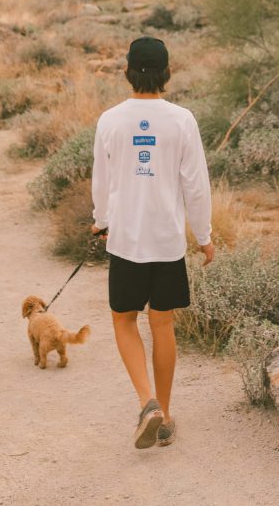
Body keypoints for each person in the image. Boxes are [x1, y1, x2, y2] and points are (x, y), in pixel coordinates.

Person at [91, 36, 214, 449]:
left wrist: (101, 221)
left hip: (126, 239)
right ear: (167, 73)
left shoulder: (110, 120)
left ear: (127, 72)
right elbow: (196, 186)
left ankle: (147, 402)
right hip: (166, 241)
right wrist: (205, 236)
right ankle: (164, 413)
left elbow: (101, 181)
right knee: (162, 324)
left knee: (124, 320)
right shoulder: (182, 120)